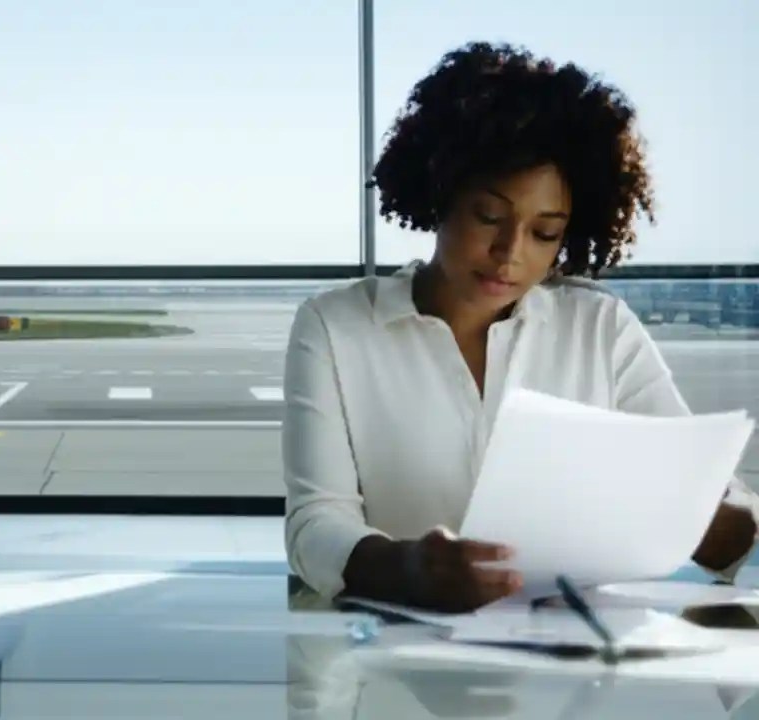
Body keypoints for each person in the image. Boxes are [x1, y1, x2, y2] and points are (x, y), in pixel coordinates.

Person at [283, 41, 759, 613]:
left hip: (580, 648)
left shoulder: (601, 327)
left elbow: (725, 504)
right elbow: (315, 522)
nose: (510, 253)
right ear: (440, 193)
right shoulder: (335, 327)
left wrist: (710, 521)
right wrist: (407, 568)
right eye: (489, 217)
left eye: (544, 233)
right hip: (399, 644)